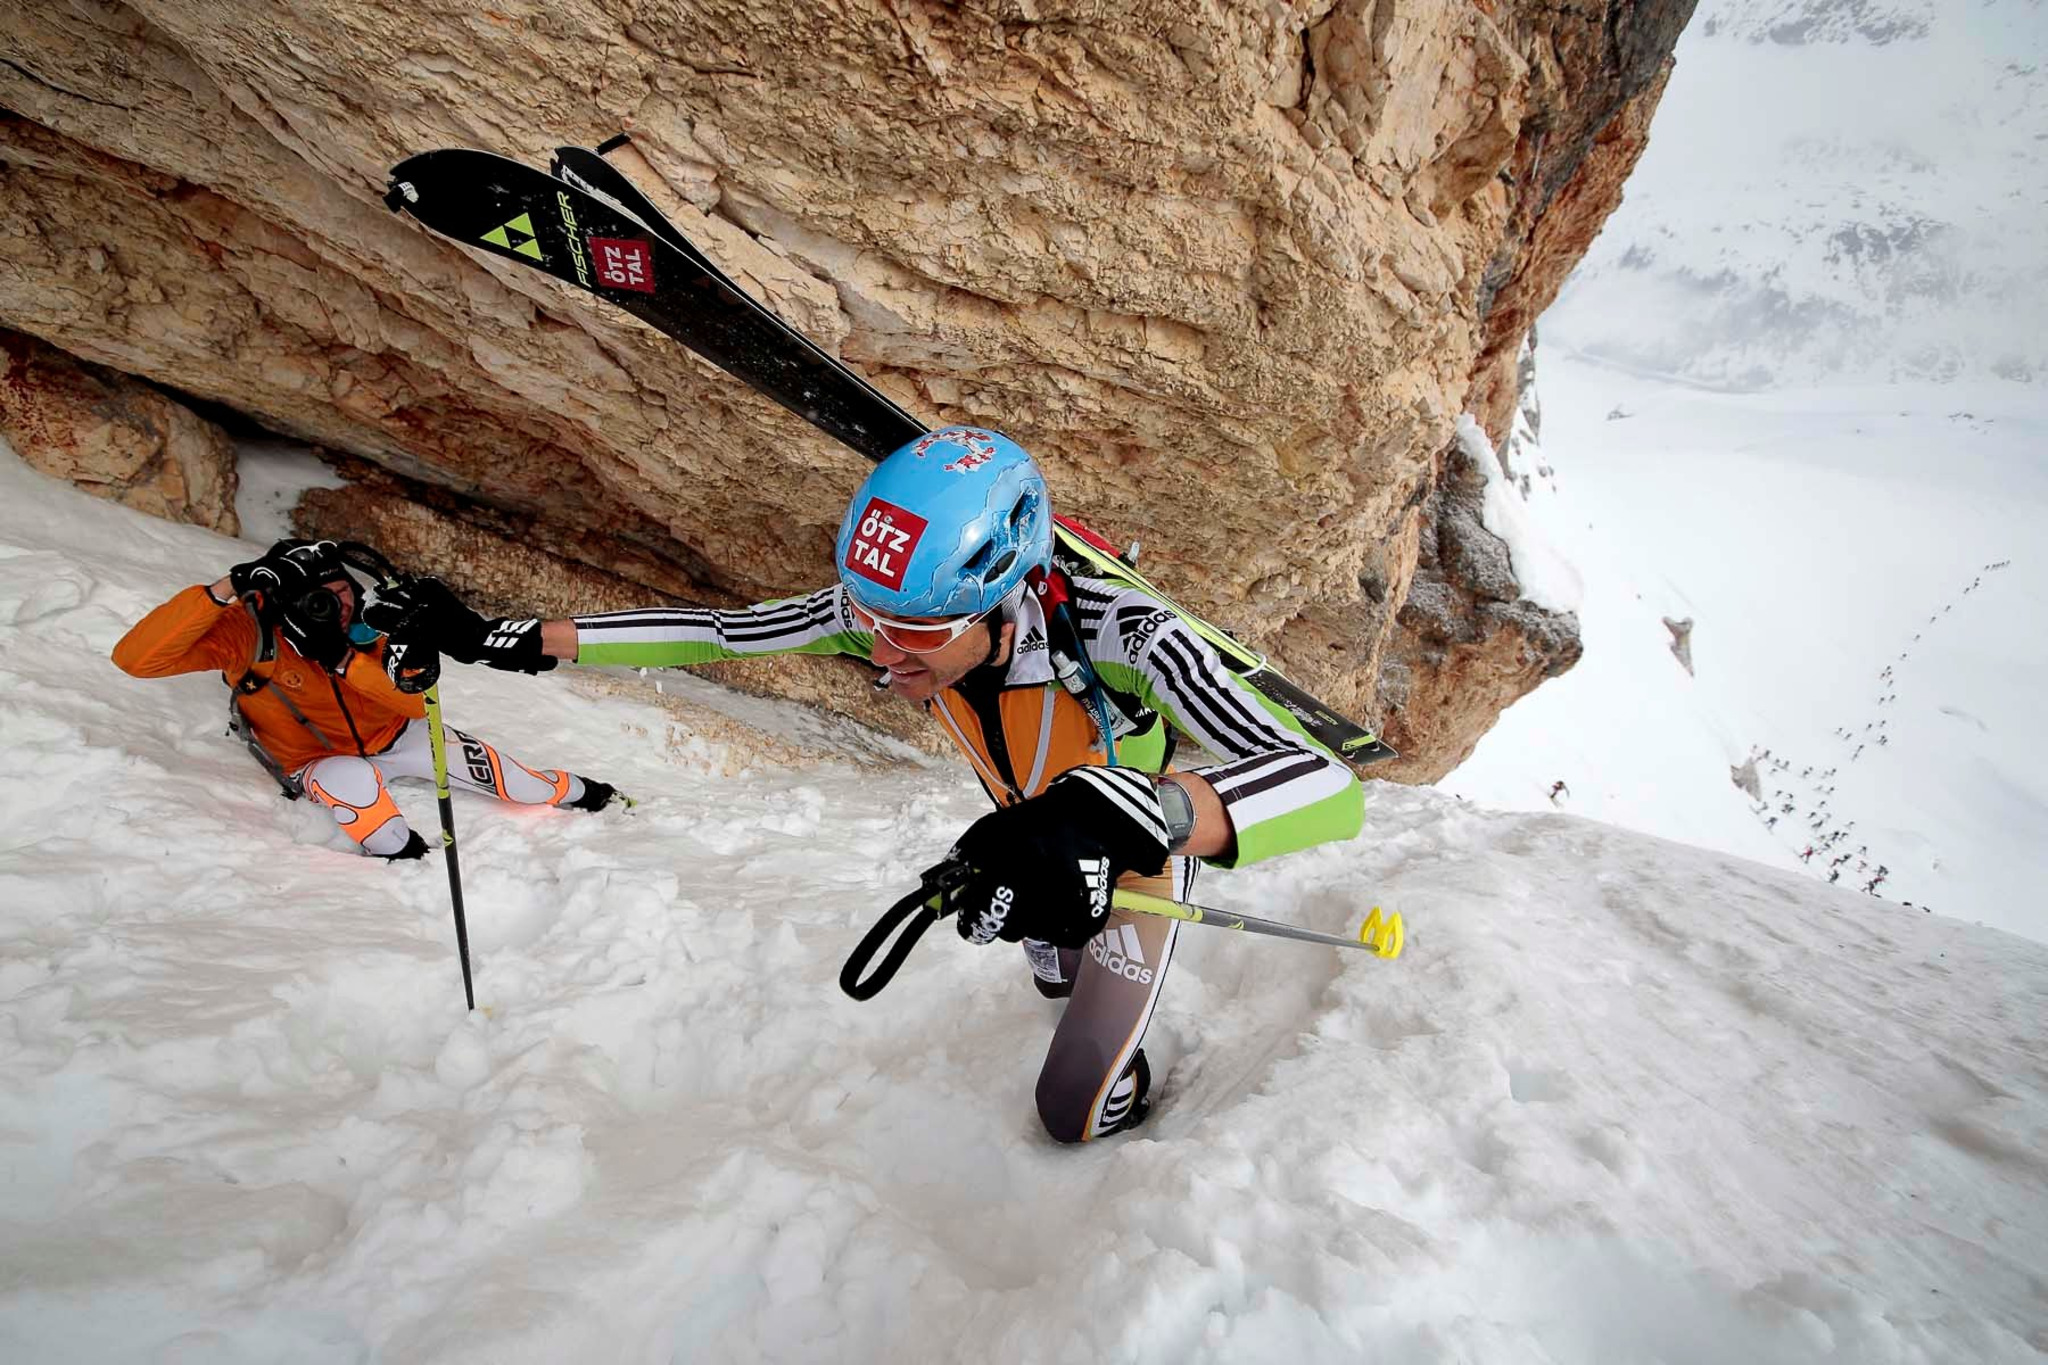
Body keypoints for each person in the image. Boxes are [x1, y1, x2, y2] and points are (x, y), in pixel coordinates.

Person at [375, 427, 1365, 1142]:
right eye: (870, 620)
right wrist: (502, 638)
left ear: (995, 597)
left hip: (1135, 847)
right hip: (1023, 837)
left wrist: (1134, 812)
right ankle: (1067, 971)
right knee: (1049, 969)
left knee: (1075, 1111)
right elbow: (713, 634)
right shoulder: (893, 609)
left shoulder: (1123, 635)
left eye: (916, 635)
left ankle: (1122, 1085)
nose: (883, 652)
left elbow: (1324, 783)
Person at [111, 538, 620, 860]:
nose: (340, 607)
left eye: (346, 594)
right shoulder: (248, 634)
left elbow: (417, 704)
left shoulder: (367, 630)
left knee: (522, 788)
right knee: (376, 819)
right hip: (313, 758)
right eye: (322, 601)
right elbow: (137, 659)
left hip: (396, 736)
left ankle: (590, 793)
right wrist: (228, 587)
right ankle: (400, 865)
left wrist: (342, 658)